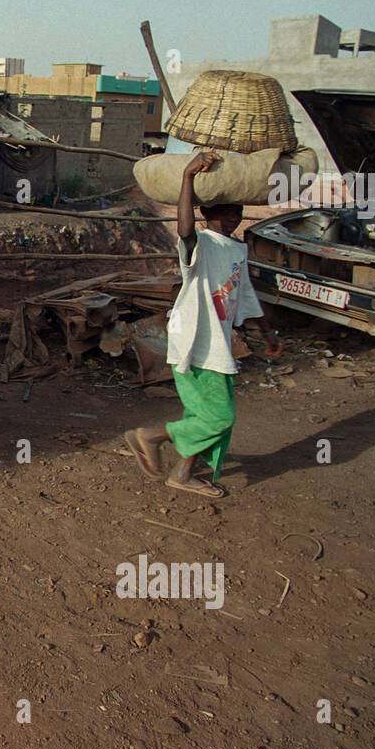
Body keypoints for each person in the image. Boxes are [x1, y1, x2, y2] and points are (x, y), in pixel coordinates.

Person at [124, 151, 283, 498]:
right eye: (225, 212)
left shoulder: (237, 250)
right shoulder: (202, 245)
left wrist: (266, 332)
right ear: (206, 212)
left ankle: (182, 473)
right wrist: (187, 178)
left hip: (218, 342)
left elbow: (246, 297)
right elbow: (184, 230)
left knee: (205, 413)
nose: (232, 218)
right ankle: (152, 436)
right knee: (219, 417)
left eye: (236, 212)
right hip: (195, 339)